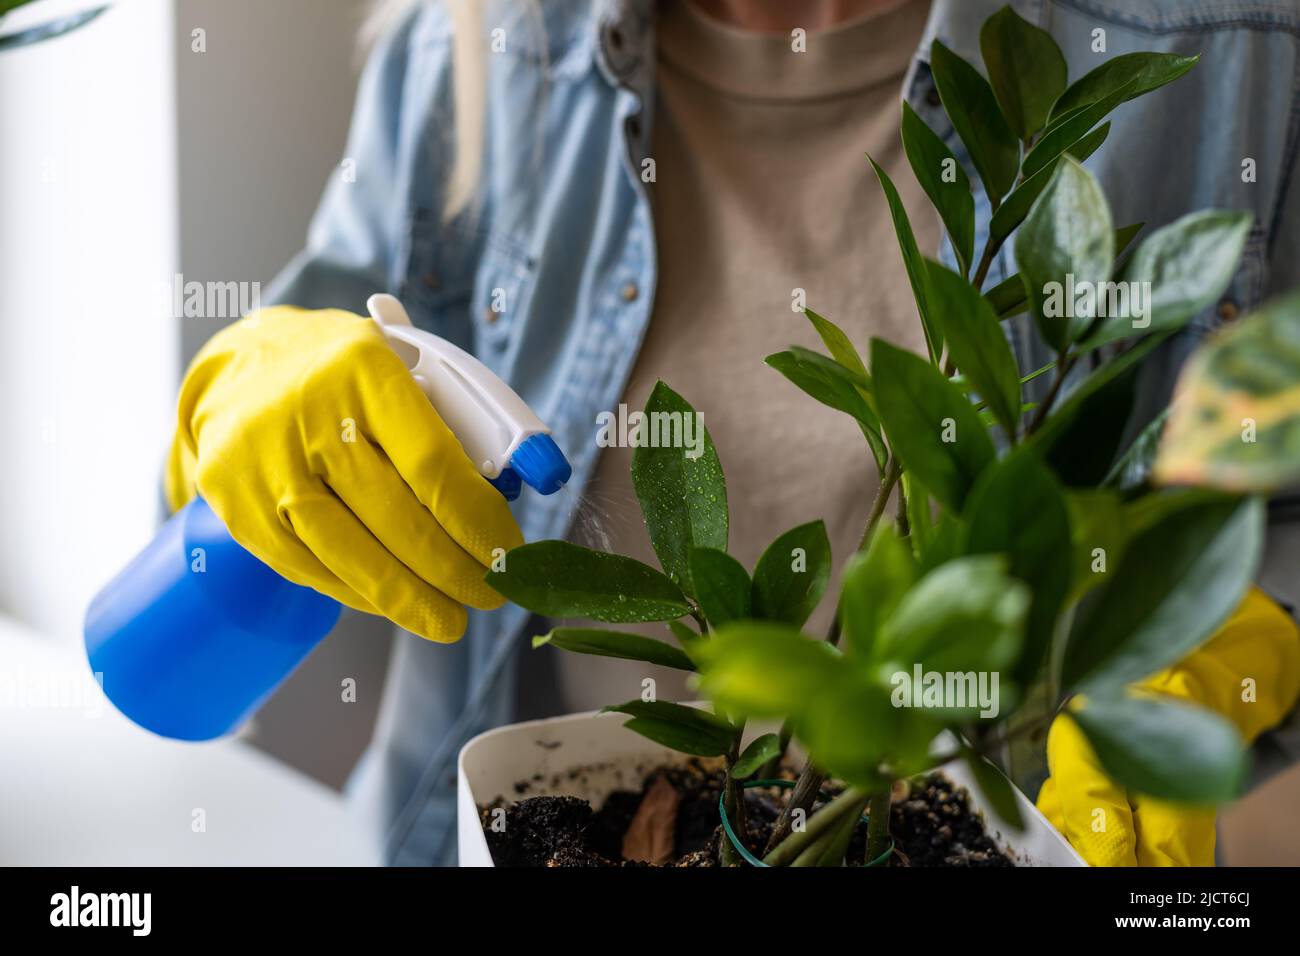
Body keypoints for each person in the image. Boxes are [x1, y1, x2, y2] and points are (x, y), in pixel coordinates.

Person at [163, 0, 1300, 866]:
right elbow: (205, 564)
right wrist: (230, 416)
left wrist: (1223, 643)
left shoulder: (1239, 49)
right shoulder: (485, 43)